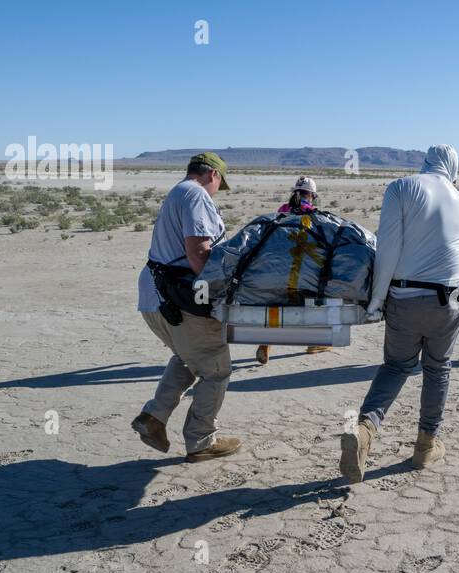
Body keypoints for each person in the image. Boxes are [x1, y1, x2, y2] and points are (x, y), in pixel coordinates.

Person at [340, 145, 459, 483]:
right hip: (452, 298)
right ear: (451, 167)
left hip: (407, 297)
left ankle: (366, 429)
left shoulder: (402, 187)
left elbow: (389, 249)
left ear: (425, 162)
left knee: (397, 366)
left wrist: (375, 301)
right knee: (438, 368)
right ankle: (425, 445)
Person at [131, 152, 241, 463]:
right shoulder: (196, 194)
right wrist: (225, 287)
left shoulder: (177, 192)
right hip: (180, 299)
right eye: (220, 183)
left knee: (188, 357)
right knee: (216, 370)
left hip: (155, 297)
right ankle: (201, 441)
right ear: (213, 175)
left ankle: (153, 418)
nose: (217, 189)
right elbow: (198, 253)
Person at [254, 176, 330, 365]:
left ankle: (267, 341)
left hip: (277, 267)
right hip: (300, 269)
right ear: (312, 196)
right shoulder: (313, 214)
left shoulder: (282, 211)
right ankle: (316, 343)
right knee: (318, 303)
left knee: (277, 305)